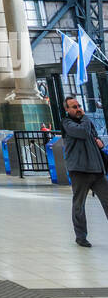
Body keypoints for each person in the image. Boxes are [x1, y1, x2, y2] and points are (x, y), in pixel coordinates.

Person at [61, 95, 108, 247]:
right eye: (74, 107)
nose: (79, 109)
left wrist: (99, 142)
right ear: (67, 110)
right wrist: (85, 118)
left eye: (79, 105)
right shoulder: (67, 123)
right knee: (79, 205)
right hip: (79, 171)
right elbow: (81, 132)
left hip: (97, 170)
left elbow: (94, 137)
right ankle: (81, 236)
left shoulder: (87, 123)